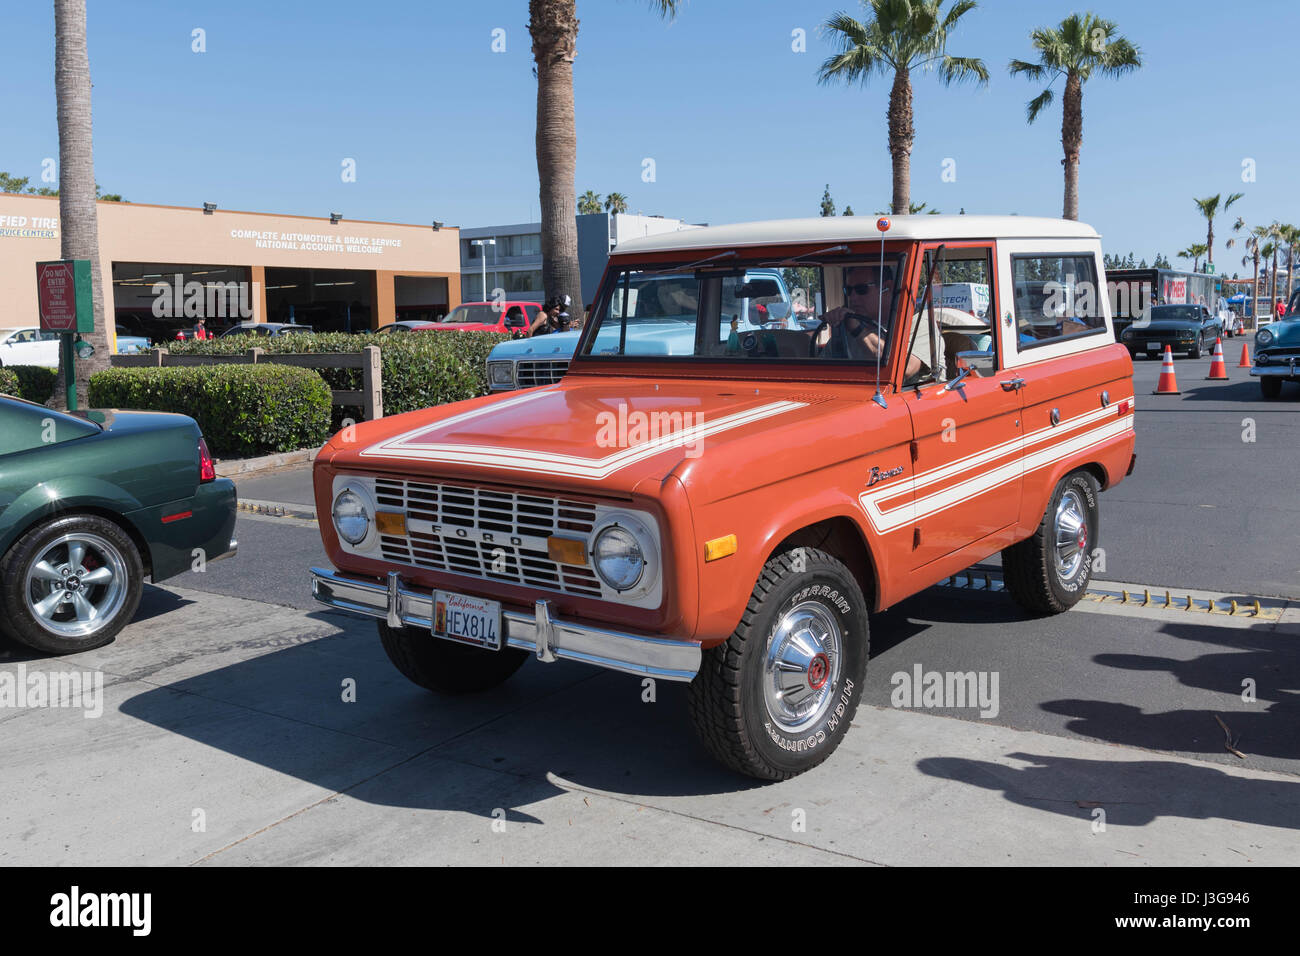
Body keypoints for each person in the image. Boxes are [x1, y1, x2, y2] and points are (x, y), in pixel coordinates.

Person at [813, 265, 928, 379]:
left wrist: (858, 331)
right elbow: (818, 373)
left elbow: (906, 368)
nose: (852, 297)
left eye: (861, 289)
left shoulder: (917, 323)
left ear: (887, 287)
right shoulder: (849, 329)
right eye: (848, 290)